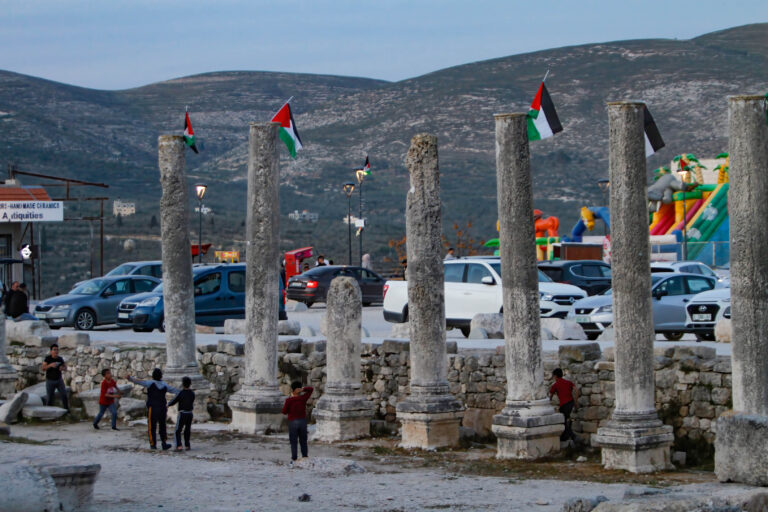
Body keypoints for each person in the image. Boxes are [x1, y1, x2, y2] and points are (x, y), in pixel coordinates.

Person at [127, 368, 180, 450]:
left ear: (153, 376)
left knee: (152, 426)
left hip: (153, 407)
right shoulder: (165, 385)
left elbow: (139, 381)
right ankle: (164, 443)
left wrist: (129, 378)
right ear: (161, 376)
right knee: (162, 426)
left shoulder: (149, 383)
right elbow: (175, 391)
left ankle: (153, 444)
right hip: (162, 407)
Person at [282, 382, 313, 467]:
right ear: (299, 389)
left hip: (293, 422)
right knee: (303, 440)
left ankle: (294, 458)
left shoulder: (288, 400)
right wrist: (303, 389)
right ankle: (305, 456)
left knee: (293, 441)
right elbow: (311, 390)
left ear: (292, 389)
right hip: (302, 421)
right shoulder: (303, 398)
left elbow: (284, 411)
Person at [549, 368, 578, 443]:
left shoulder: (555, 385)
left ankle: (573, 436)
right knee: (566, 419)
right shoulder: (568, 382)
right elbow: (576, 390)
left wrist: (549, 404)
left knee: (564, 421)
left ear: (555, 376)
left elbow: (550, 396)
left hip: (564, 405)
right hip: (571, 402)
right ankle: (565, 437)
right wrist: (576, 401)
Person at [168, 376, 195, 451]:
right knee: (187, 430)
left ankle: (179, 445)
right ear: (190, 384)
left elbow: (174, 401)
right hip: (190, 413)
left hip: (182, 413)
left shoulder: (181, 393)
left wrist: (168, 405)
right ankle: (187, 445)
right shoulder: (192, 393)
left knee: (178, 430)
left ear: (183, 384)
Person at [42, 344, 69, 411]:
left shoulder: (60, 359)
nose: (56, 351)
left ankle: (67, 411)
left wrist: (62, 368)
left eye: (57, 350)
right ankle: (48, 412)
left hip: (59, 380)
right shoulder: (47, 358)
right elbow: (43, 368)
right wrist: (50, 365)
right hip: (50, 381)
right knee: (50, 398)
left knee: (64, 395)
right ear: (51, 351)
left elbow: (65, 368)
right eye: (54, 350)